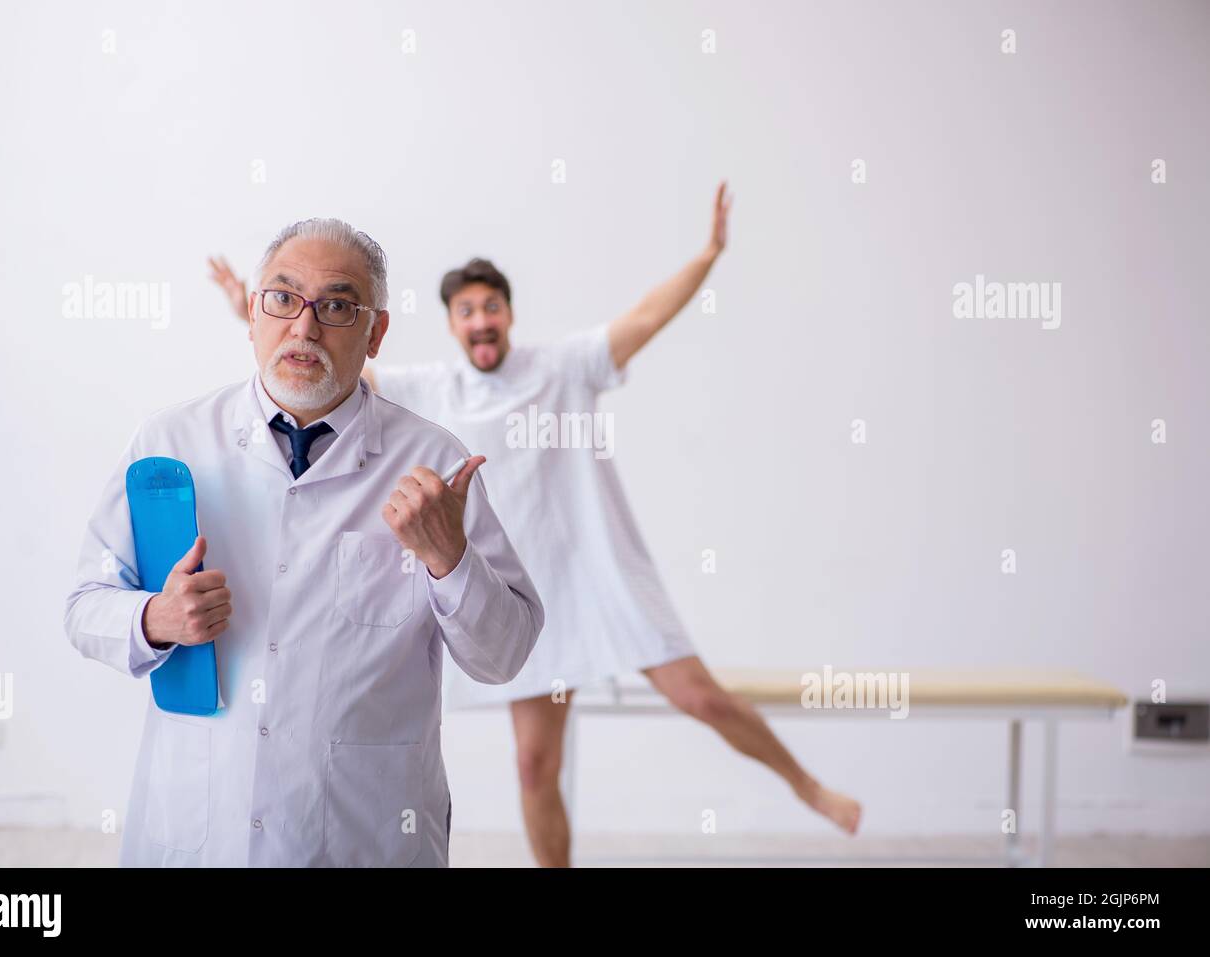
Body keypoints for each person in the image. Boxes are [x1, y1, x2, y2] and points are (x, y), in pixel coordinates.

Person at [210, 184, 861, 868]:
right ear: (453, 324)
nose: (480, 319)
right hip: (521, 601)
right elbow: (325, 358)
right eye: (466, 311)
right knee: (533, 766)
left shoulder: (563, 368)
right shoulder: (432, 390)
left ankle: (808, 786)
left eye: (491, 306)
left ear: (508, 314)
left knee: (701, 697)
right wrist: (252, 311)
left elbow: (645, 316)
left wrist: (710, 254)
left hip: (597, 579)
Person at [68, 218, 543, 867]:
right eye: (283, 298)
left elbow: (506, 653)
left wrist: (448, 559)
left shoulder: (433, 461)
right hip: (200, 831)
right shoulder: (171, 442)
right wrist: (154, 617)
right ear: (253, 314)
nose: (305, 327)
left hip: (364, 835)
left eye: (338, 306)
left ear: (375, 332)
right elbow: (84, 604)